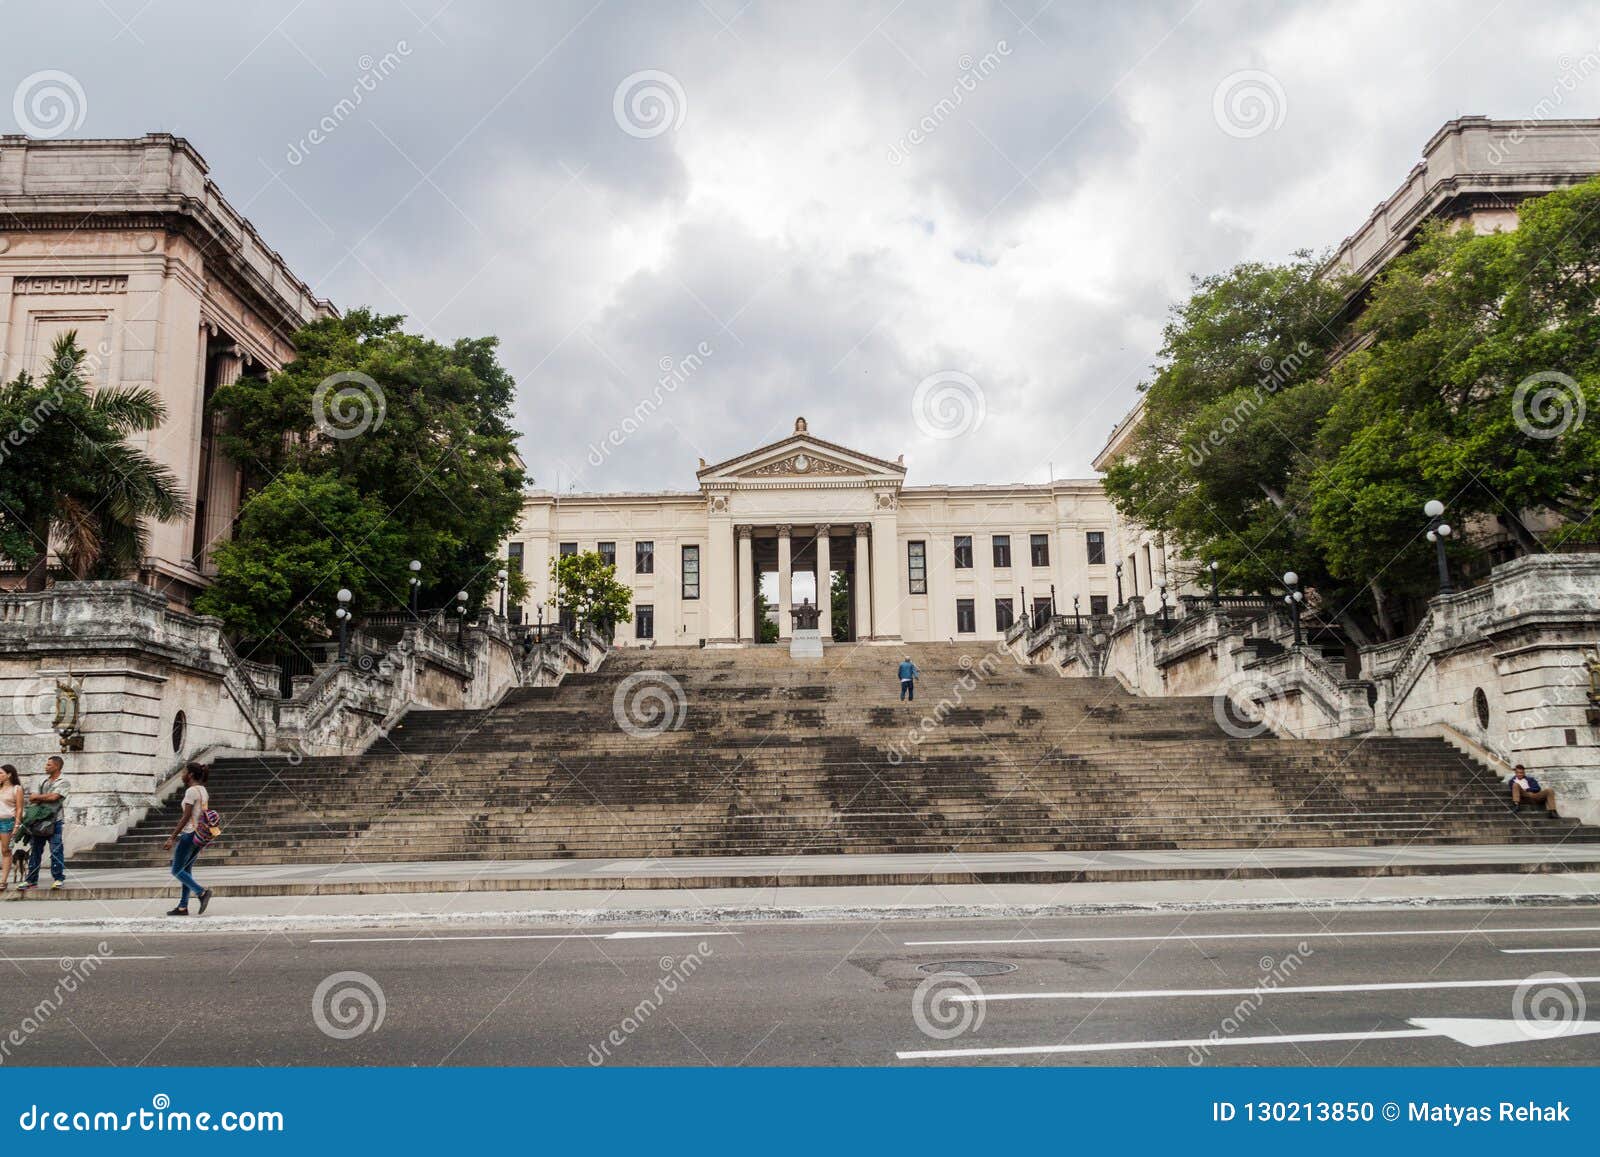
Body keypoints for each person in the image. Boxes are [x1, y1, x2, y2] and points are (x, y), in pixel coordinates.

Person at [162, 762, 214, 916]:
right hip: (199, 835)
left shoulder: (191, 791)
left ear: (190, 775)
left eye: (184, 772)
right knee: (186, 871)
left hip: (190, 834)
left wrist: (172, 838)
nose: (182, 775)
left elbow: (186, 817)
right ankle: (183, 907)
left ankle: (201, 892)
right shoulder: (203, 790)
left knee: (176, 870)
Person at [19, 755, 68, 891]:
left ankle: (58, 878)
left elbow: (54, 797)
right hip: (39, 821)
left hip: (55, 821)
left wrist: (40, 798)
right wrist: (43, 798)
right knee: (35, 850)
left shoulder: (63, 782)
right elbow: (32, 798)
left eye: (48, 765)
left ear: (56, 766)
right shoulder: (43, 782)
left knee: (56, 850)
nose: (45, 767)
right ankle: (31, 880)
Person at [0, 764, 23, 890]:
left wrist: (16, 826)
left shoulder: (16, 789)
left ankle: (3, 881)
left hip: (7, 822)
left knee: (5, 851)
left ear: (9, 775)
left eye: (1, 773)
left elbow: (19, 809)